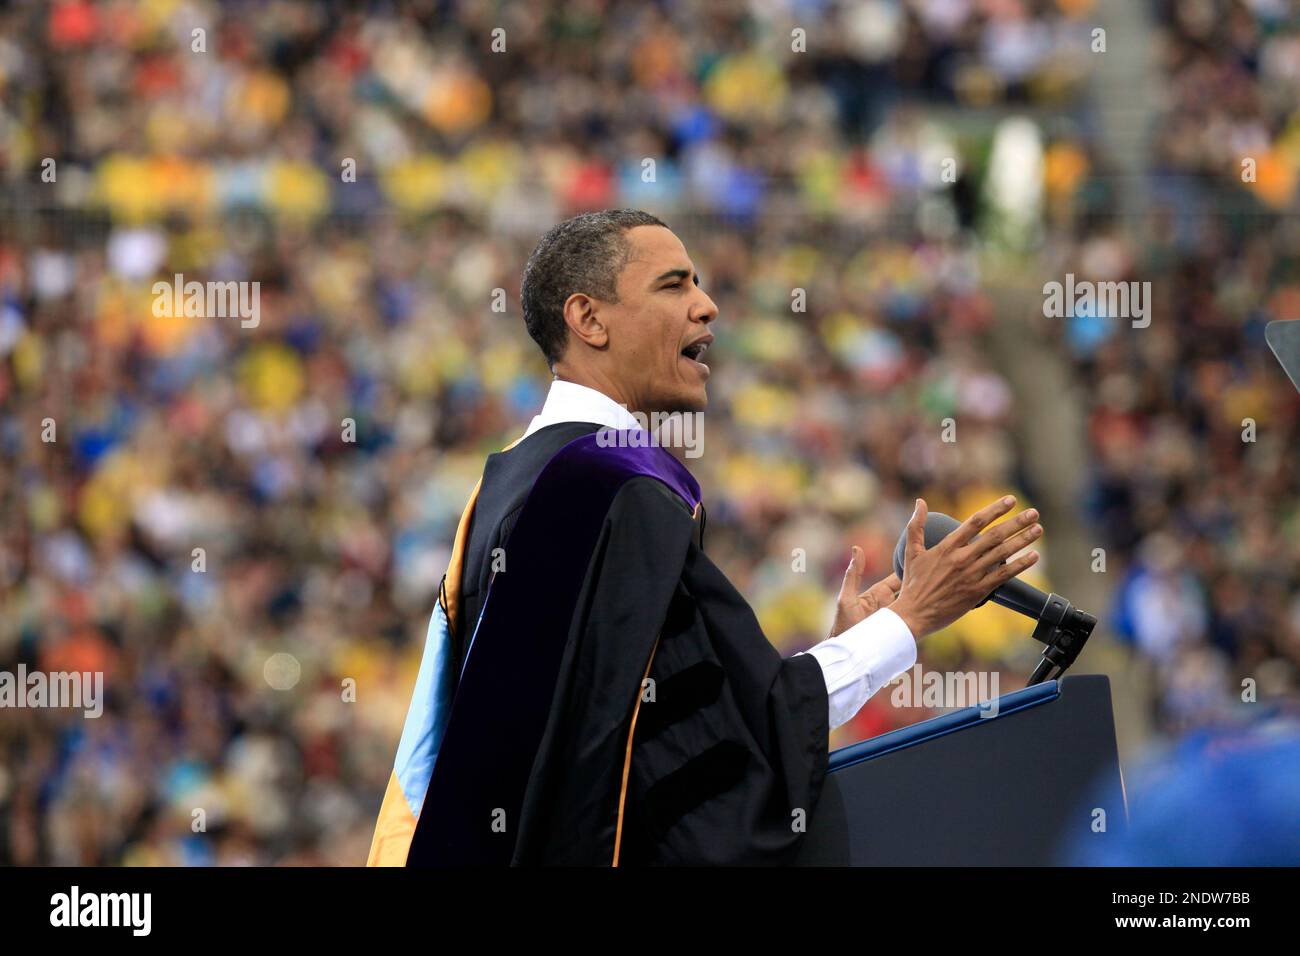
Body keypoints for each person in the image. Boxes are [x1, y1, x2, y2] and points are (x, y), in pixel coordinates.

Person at [367, 209, 1043, 865]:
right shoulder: (610, 491)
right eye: (674, 284)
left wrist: (846, 648)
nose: (708, 305)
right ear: (588, 319)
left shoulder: (512, 486)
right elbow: (727, 758)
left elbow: (651, 740)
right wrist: (908, 620)